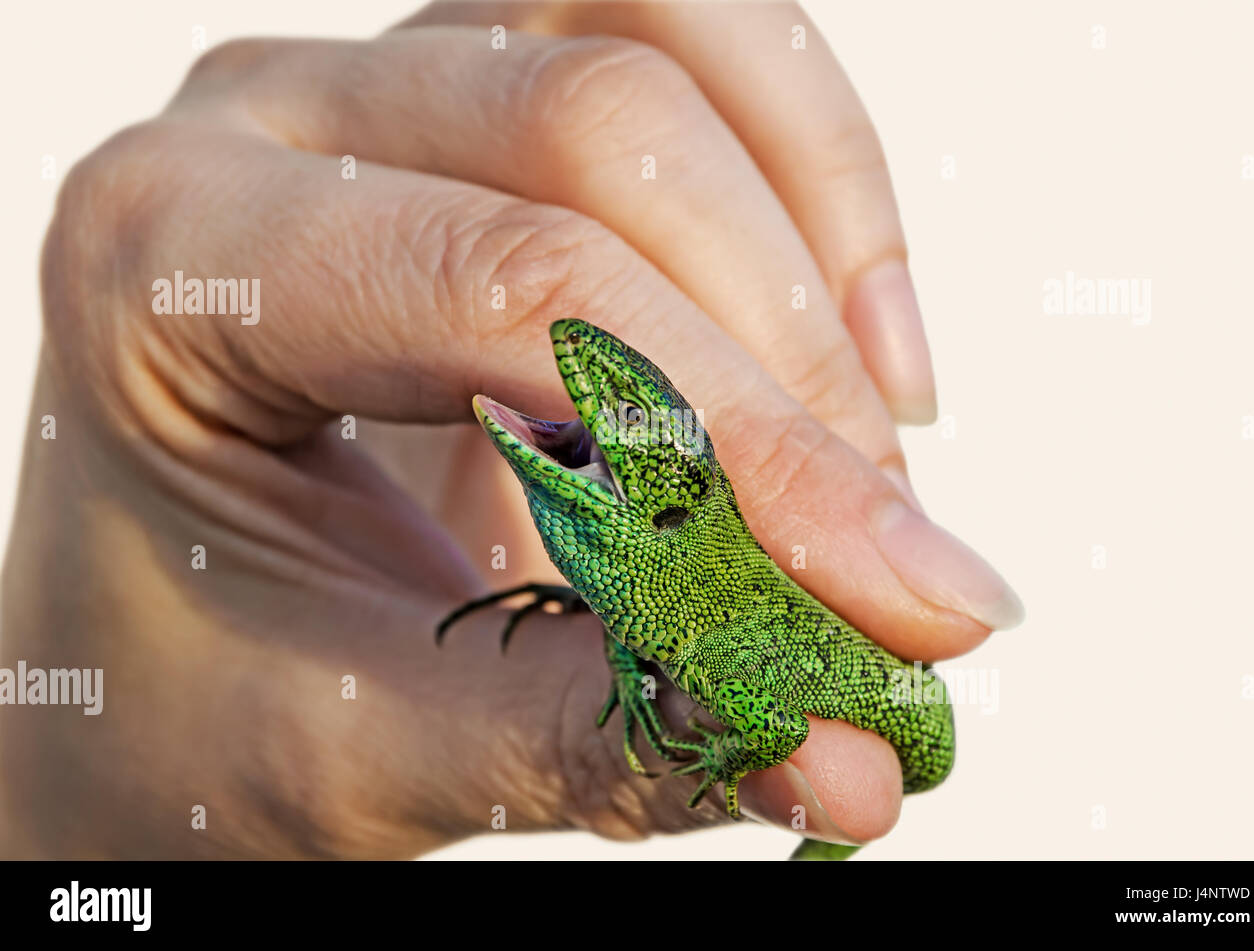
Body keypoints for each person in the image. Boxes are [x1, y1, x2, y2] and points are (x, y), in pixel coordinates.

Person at [0, 1, 1021, 858]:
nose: (562, 374)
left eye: (608, 424)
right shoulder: (663, 591)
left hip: (907, 717)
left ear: (660, 513)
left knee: (835, 808)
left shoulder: (707, 633)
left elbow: (760, 721)